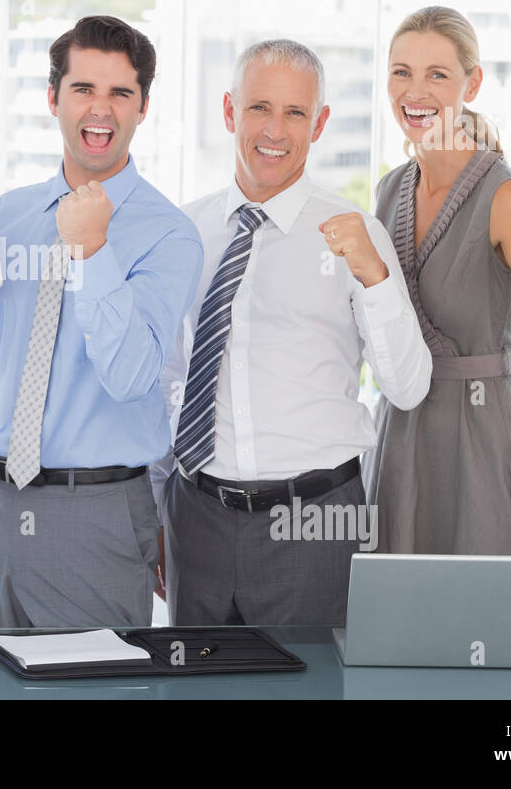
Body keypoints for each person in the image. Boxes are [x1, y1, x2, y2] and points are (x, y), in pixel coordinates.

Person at [153, 39, 432, 626]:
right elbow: (168, 379)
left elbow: (407, 387)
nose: (274, 130)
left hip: (315, 523)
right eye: (259, 108)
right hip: (195, 518)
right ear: (230, 111)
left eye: (295, 113)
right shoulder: (184, 232)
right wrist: (159, 507)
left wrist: (374, 277)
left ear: (320, 123)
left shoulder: (357, 235)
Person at [0, 14, 204, 629]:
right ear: (53, 98)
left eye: (120, 93)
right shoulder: (9, 214)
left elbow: (132, 374)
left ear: (143, 108)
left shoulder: (169, 234)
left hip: (98, 513)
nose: (100, 109)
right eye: (83, 89)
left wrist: (93, 250)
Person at [368, 6, 511, 636]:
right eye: (401, 72)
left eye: (437, 74)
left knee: (490, 632)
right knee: (404, 639)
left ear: (472, 84)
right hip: (403, 433)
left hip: (482, 438)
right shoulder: (387, 191)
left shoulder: (504, 196)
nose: (416, 91)